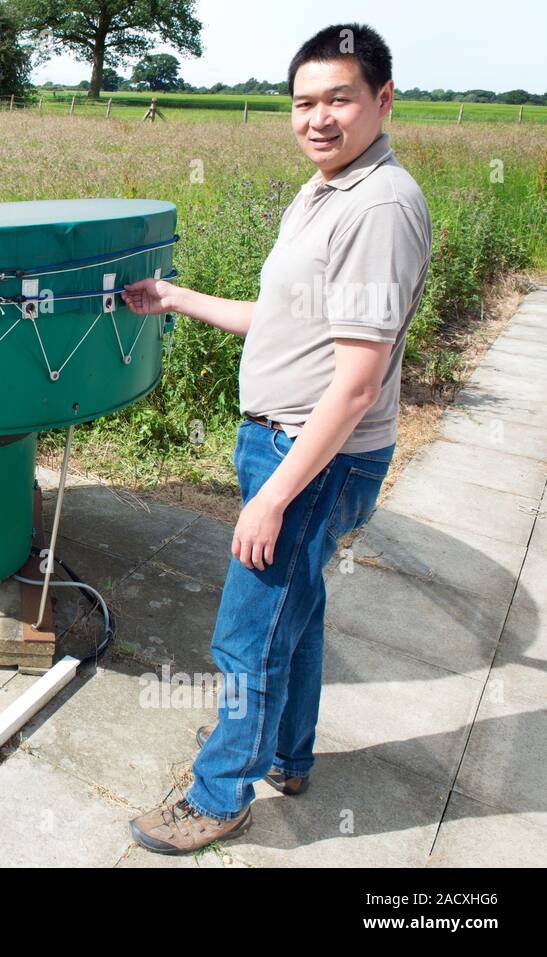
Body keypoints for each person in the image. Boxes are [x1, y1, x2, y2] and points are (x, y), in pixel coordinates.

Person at [120, 22, 432, 854]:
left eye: (340, 98)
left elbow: (357, 381)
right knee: (298, 609)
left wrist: (275, 495)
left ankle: (220, 794)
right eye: (304, 101)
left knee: (247, 632)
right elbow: (286, 322)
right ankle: (287, 754)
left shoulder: (379, 207)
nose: (318, 117)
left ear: (382, 100)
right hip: (287, 442)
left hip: (313, 455)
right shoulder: (323, 190)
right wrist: (177, 299)